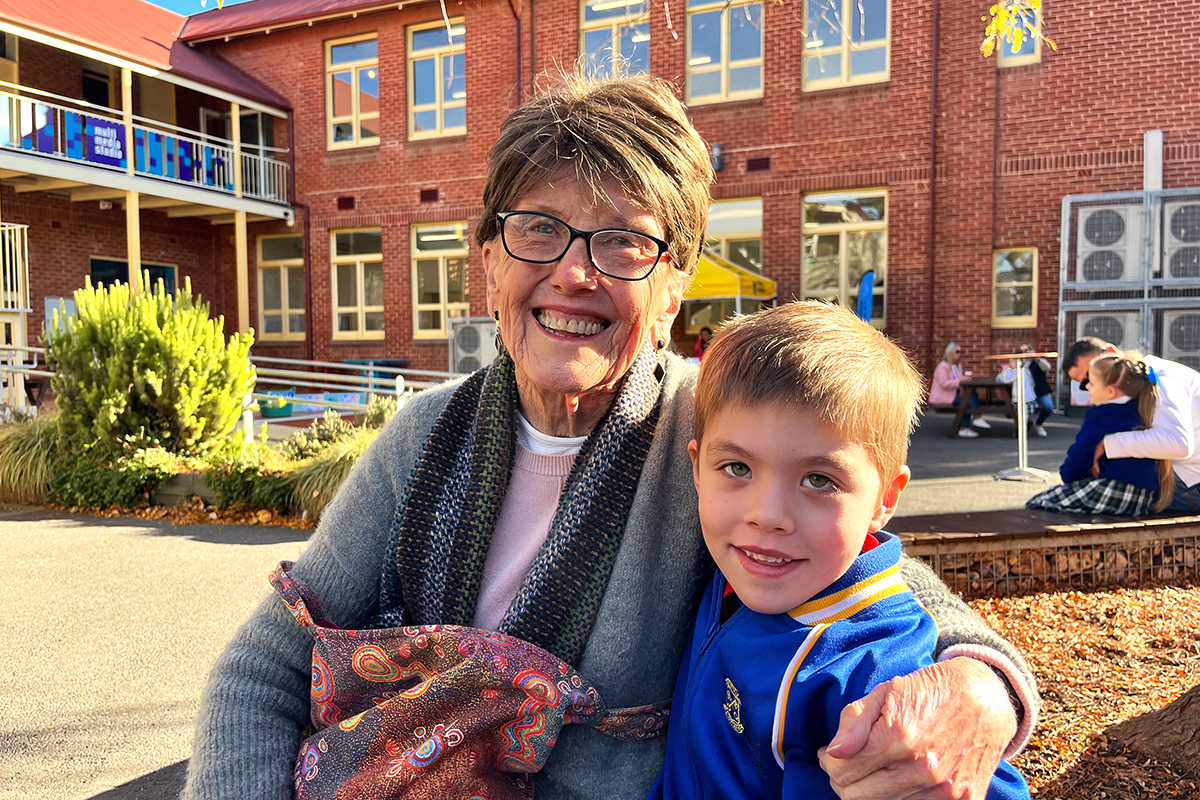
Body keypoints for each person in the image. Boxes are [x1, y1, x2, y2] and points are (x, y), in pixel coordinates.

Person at [183, 75, 1037, 800]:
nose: (574, 272)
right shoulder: (425, 434)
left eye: (624, 241)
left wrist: (984, 683)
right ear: (489, 263)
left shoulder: (716, 432)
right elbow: (265, 669)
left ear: (672, 289)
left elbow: (875, 574)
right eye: (539, 228)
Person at [650, 302, 1032, 800]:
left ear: (885, 500)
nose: (766, 514)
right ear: (697, 469)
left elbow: (966, 779)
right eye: (737, 469)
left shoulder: (874, 679)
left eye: (818, 480)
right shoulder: (737, 568)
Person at [1064, 336, 1200, 513]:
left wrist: (1108, 444)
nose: (1088, 387)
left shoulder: (1161, 378)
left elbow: (1178, 443)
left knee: (1091, 498)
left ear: (1111, 353)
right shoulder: (1145, 380)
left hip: (1190, 486)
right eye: (1083, 385)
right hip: (1183, 480)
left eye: (1089, 377)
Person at [1026, 353, 1172, 515]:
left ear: (1110, 391)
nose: (1087, 387)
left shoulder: (1102, 414)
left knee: (1038, 502)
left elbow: (1081, 453)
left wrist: (1068, 476)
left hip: (1115, 489)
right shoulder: (1142, 407)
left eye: (1092, 384)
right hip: (1146, 495)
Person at [929, 342, 989, 438]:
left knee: (971, 393)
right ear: (950, 352)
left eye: (961, 352)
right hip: (944, 396)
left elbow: (958, 381)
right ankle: (967, 425)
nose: (960, 354)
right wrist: (960, 381)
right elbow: (943, 384)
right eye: (957, 352)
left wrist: (962, 384)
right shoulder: (943, 366)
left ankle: (976, 418)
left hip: (954, 393)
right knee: (965, 402)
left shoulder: (957, 366)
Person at [1019, 342, 1054, 437]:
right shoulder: (1019, 363)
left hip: (1040, 392)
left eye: (1026, 350)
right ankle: (1025, 425)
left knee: (1049, 406)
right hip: (1025, 393)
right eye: (1021, 351)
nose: (1024, 353)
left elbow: (1047, 367)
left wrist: (1036, 357)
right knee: (1022, 408)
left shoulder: (1038, 361)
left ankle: (1039, 424)